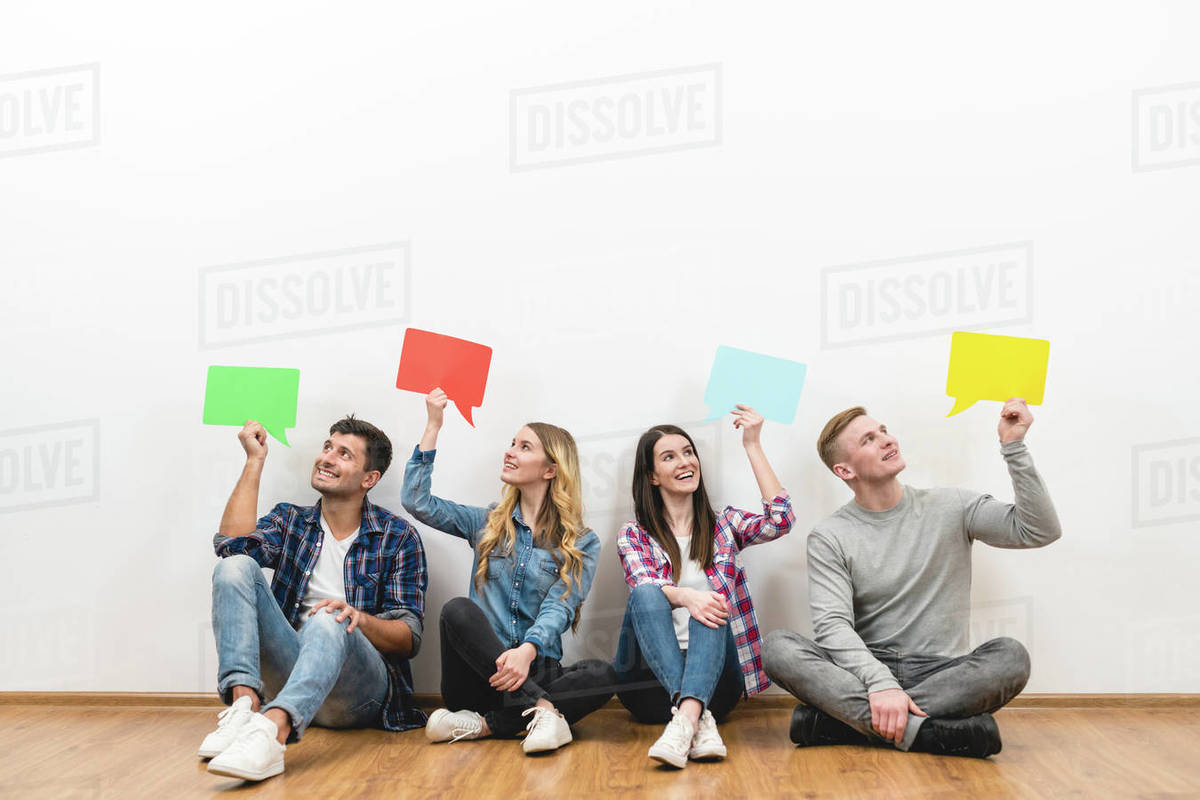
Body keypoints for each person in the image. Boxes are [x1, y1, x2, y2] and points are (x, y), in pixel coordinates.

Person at [764, 398, 1061, 758]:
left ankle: (841, 724)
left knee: (1011, 657)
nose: (887, 440)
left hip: (944, 673)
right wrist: (880, 683)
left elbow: (1039, 530)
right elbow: (832, 626)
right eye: (868, 440)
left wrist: (1013, 446)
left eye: (883, 431)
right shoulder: (830, 535)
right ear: (845, 471)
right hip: (864, 672)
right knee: (777, 647)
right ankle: (927, 732)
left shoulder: (953, 506)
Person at [202, 416, 427, 782]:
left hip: (356, 695)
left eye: (344, 454)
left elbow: (408, 640)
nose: (327, 458)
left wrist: (358, 618)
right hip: (290, 675)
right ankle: (244, 705)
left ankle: (272, 732)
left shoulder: (398, 537)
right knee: (234, 567)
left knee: (328, 618)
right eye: (327, 447)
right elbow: (230, 546)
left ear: (369, 479)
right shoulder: (290, 520)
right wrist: (254, 460)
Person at [401, 388, 615, 755]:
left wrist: (527, 650)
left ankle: (483, 726)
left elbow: (561, 606)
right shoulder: (485, 523)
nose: (510, 451)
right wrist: (433, 425)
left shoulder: (582, 541)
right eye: (512, 443)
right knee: (457, 610)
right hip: (478, 679)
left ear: (550, 469)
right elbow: (416, 501)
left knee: (603, 673)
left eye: (524, 447)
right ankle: (544, 712)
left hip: (535, 668)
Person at [614, 406, 796, 768]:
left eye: (688, 452)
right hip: (648, 688)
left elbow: (781, 520)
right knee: (649, 594)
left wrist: (753, 443)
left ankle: (687, 718)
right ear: (652, 476)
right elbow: (644, 583)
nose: (686, 461)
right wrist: (686, 596)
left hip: (719, 685)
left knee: (711, 603)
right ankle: (695, 717)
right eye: (669, 456)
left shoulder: (724, 524)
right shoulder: (633, 535)